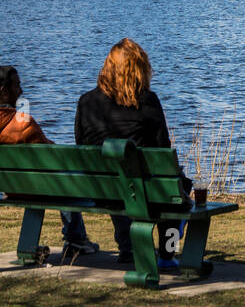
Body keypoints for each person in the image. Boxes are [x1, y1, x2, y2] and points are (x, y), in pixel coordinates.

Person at [0, 65, 98, 259]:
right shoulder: (23, 125)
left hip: (1, 186)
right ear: (4, 91)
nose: (21, 91)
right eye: (17, 86)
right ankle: (76, 239)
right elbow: (54, 157)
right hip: (30, 187)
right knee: (64, 178)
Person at [75, 38, 192, 267]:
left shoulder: (86, 101)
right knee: (176, 189)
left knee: (122, 181)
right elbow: (162, 150)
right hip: (145, 190)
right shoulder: (148, 101)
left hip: (100, 188)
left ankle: (129, 247)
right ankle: (167, 255)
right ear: (141, 69)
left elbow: (81, 144)